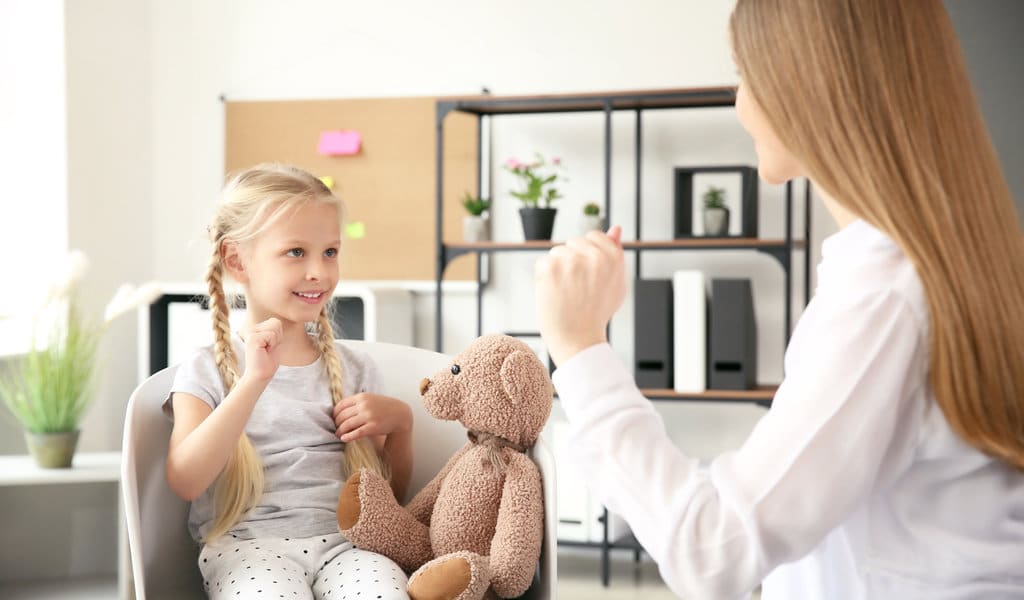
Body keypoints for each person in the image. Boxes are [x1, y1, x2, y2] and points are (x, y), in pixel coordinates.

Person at [534, 1, 1024, 598]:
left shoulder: (885, 298)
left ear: (806, 83)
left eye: (745, 74)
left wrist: (580, 349)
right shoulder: (929, 268)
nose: (740, 102)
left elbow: (711, 551)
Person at [165, 164, 412, 600]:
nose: (319, 271)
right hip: (248, 550)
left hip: (350, 548)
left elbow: (385, 503)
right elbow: (185, 481)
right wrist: (253, 381)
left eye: (330, 252)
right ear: (237, 260)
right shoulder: (204, 370)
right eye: (296, 252)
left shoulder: (356, 370)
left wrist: (402, 427)